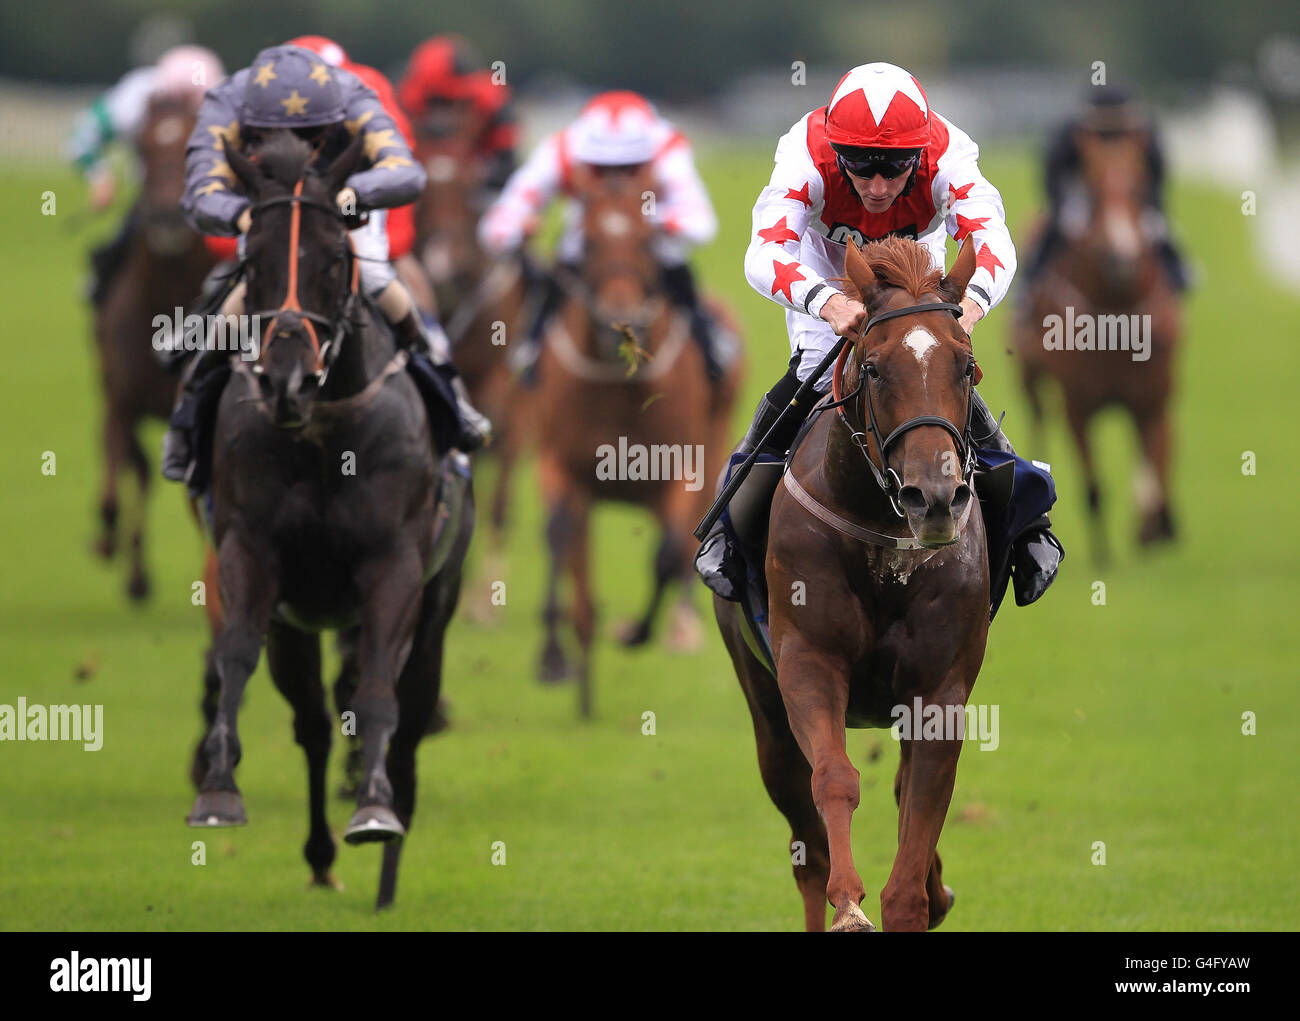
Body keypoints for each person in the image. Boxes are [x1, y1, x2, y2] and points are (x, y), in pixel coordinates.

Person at [694, 62, 1063, 607]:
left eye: (894, 170)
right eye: (861, 169)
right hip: (828, 269)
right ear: (836, 151)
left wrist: (971, 308)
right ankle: (727, 526)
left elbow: (992, 242)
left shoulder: (950, 153)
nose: (877, 187)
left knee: (932, 375)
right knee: (811, 373)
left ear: (920, 155)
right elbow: (765, 252)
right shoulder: (805, 151)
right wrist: (827, 301)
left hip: (918, 270)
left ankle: (1030, 527)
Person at [160, 43, 490, 486]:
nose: (302, 144)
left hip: (340, 203)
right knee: (243, 290)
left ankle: (445, 387)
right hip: (268, 210)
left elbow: (406, 173)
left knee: (373, 273)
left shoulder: (355, 94)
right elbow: (200, 192)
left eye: (315, 134)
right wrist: (245, 218)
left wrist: (354, 196)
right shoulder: (227, 101)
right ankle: (191, 411)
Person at [478, 90, 737, 384]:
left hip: (651, 249)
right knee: (549, 295)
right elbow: (497, 224)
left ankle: (709, 350)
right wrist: (518, 228)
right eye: (601, 169)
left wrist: (639, 223)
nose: (615, 178)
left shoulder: (667, 149)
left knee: (682, 284)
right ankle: (531, 354)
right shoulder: (561, 149)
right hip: (585, 245)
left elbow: (701, 224)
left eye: (629, 168)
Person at [67, 45, 229, 303]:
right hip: (149, 195)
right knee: (121, 240)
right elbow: (85, 134)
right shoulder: (134, 98)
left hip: (209, 194)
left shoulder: (224, 102)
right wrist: (100, 177)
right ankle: (101, 283)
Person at [1021, 82, 1191, 292]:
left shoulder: (1144, 133)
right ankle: (1033, 275)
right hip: (1082, 190)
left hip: (1130, 191)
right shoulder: (1070, 133)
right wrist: (1059, 204)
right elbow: (1053, 173)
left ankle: (1176, 270)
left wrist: (1152, 203)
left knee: (1156, 226)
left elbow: (1157, 174)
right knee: (1065, 222)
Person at [397, 34, 519, 194]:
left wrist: (479, 175)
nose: (447, 116)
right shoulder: (405, 106)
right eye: (439, 103)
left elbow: (506, 169)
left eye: (460, 103)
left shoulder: (493, 105)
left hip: (477, 188)